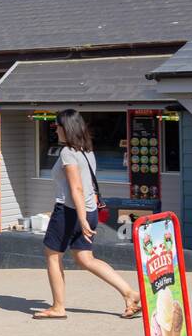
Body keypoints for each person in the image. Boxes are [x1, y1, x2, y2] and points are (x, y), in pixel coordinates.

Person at [34, 108, 142, 320]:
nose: (55, 129)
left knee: (52, 255)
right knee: (85, 258)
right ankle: (130, 294)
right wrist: (86, 216)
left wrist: (81, 219)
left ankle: (58, 307)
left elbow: (77, 189)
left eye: (57, 125)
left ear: (67, 128)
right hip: (89, 210)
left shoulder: (67, 153)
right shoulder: (87, 150)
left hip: (70, 212)